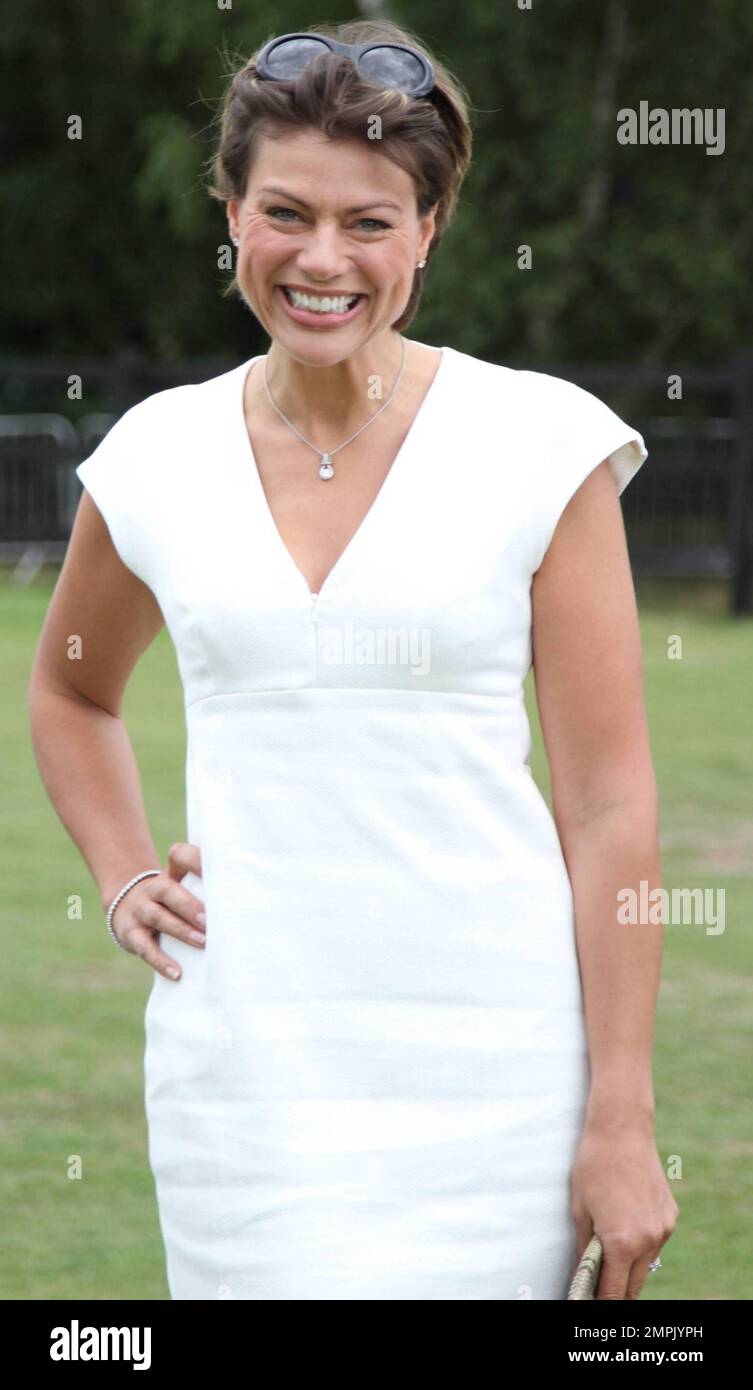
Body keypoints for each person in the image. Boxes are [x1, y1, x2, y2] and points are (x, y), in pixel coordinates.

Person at [29, 19, 678, 1300]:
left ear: (428, 229)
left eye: (369, 222)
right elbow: (70, 687)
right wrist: (122, 875)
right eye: (286, 213)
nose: (322, 259)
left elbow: (610, 804)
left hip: (500, 1091)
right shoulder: (155, 454)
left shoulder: (542, 446)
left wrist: (622, 1113)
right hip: (245, 1096)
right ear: (232, 213)